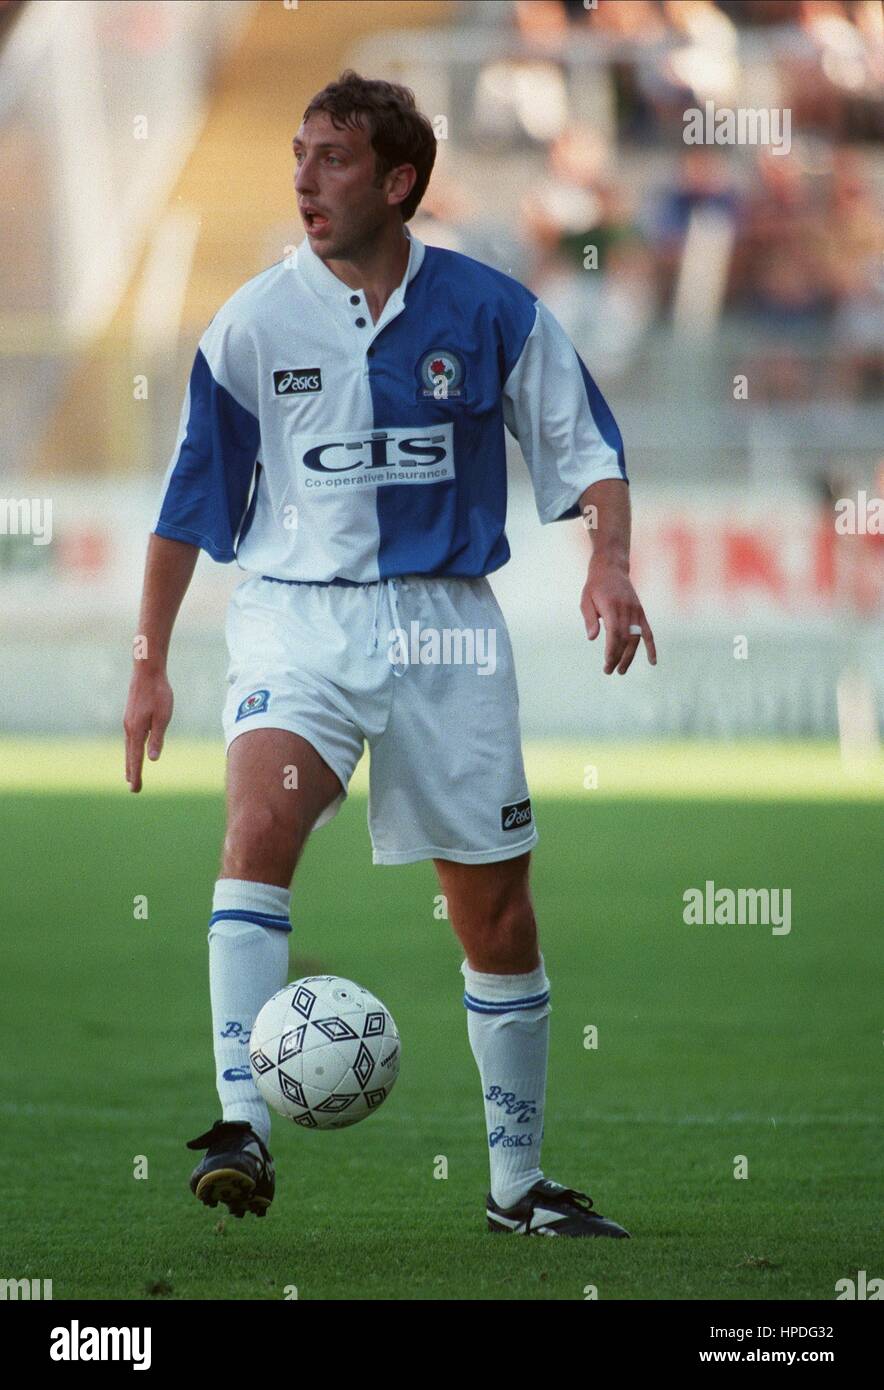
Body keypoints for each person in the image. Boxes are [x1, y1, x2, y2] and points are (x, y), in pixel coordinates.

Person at [123, 71, 656, 1239]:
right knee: (256, 825)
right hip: (295, 617)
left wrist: (606, 562)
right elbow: (186, 506)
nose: (305, 179)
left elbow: (586, 451)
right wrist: (149, 659)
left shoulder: (493, 311)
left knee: (495, 917)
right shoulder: (254, 321)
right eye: (299, 154)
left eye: (333, 159)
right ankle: (238, 1124)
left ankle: (516, 1188)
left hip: (446, 630)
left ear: (399, 180)